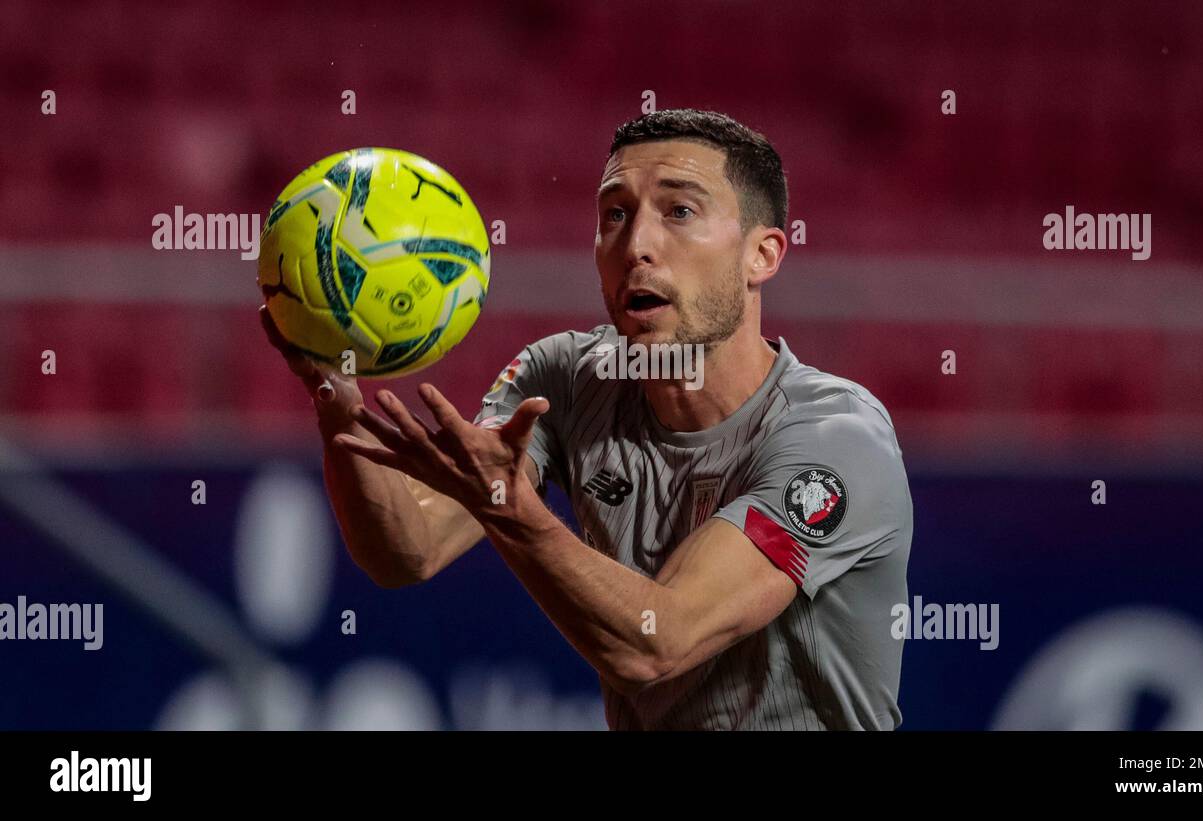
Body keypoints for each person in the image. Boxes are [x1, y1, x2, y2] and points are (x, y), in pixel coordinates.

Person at [261, 108, 913, 730]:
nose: (637, 245)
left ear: (762, 255)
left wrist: (515, 512)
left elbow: (658, 642)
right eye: (614, 215)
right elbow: (408, 550)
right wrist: (336, 408)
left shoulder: (837, 438)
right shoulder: (571, 378)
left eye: (680, 211)